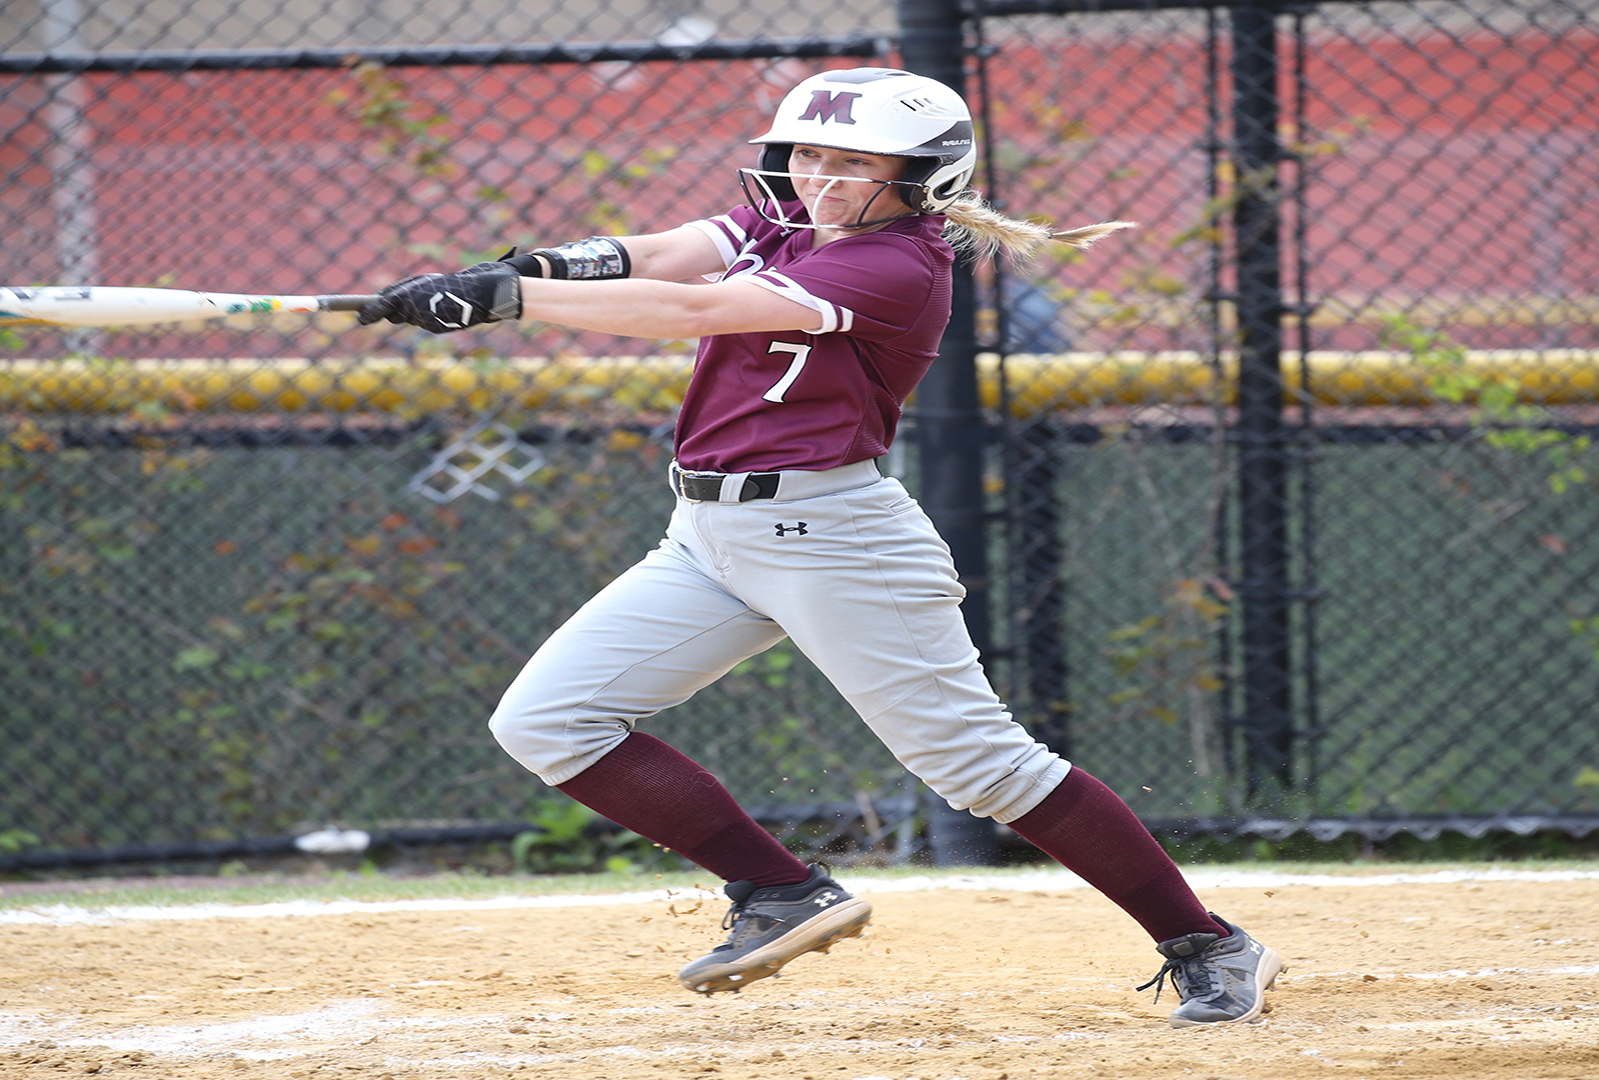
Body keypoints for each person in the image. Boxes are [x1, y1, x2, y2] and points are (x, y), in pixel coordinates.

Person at [356, 66, 1284, 1028]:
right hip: (706, 534)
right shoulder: (788, 220)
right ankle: (779, 889)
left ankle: (1209, 943)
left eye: (851, 162)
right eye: (805, 155)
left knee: (984, 771)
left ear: (923, 176)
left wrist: (508, 304)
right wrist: (526, 270)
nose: (819, 178)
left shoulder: (896, 264)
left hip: (836, 539)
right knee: (549, 722)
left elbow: (694, 308)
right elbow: (666, 252)